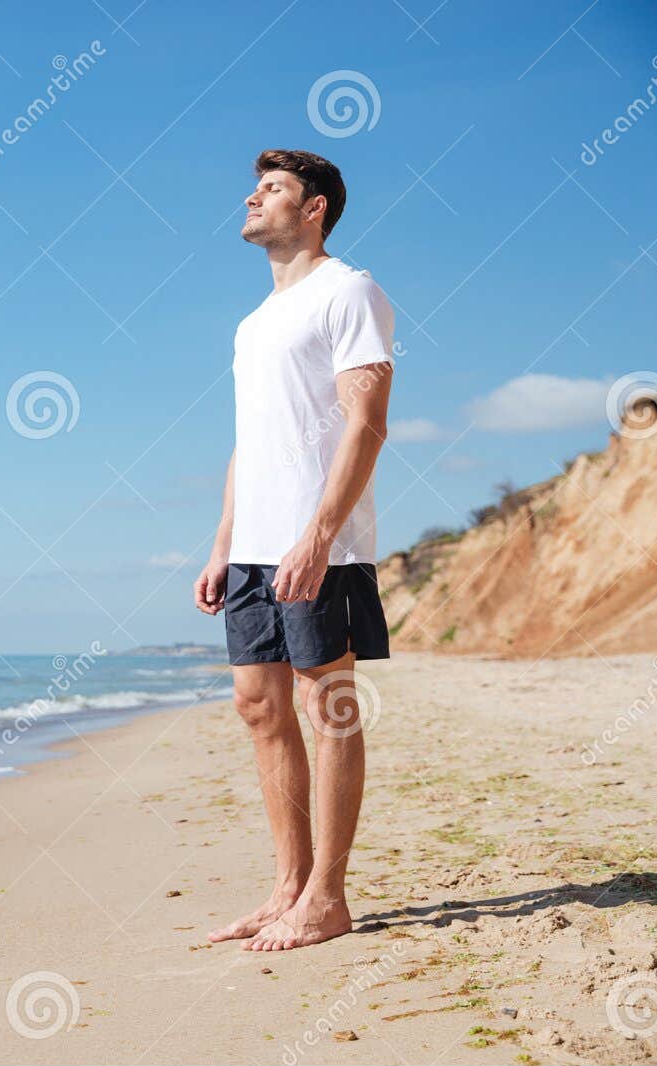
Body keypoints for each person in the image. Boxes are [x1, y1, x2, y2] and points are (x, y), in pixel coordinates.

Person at [192, 148, 394, 952]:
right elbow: (250, 442)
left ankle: (328, 896)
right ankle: (286, 886)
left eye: (272, 188)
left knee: (327, 706)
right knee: (258, 706)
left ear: (313, 209)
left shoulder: (349, 291)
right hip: (253, 546)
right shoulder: (251, 324)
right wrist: (222, 544)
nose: (252, 196)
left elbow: (367, 423)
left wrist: (316, 534)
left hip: (323, 543)